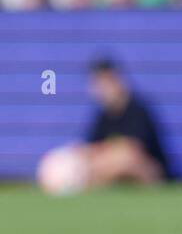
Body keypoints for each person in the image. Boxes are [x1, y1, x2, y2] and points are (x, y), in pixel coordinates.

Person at [36, 58, 170, 194]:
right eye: (98, 84)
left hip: (150, 172)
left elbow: (133, 150)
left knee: (125, 159)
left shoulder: (137, 110)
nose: (102, 89)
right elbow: (92, 148)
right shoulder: (103, 116)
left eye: (105, 82)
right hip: (115, 175)